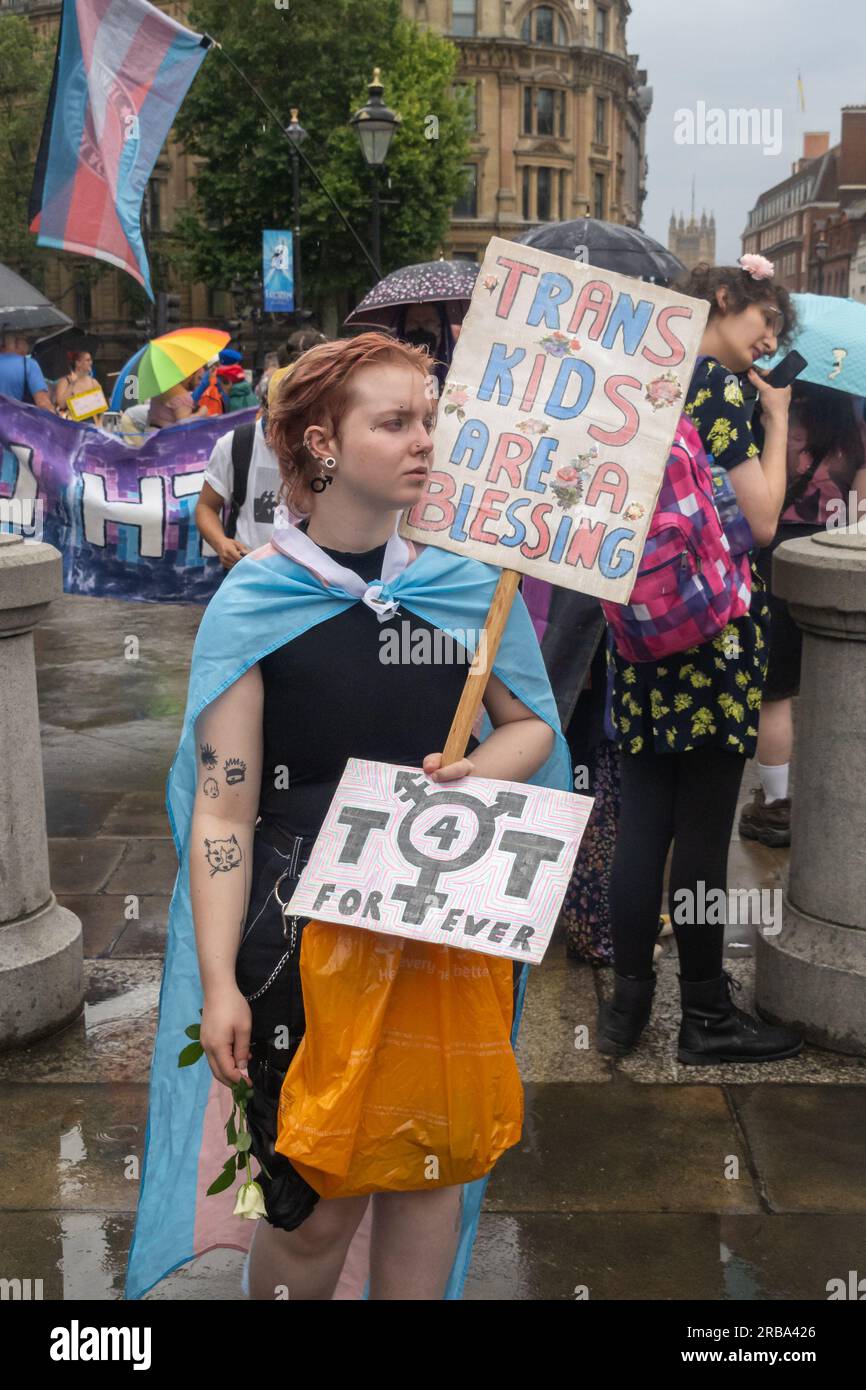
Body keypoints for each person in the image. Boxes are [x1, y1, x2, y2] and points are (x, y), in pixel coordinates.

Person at [125, 331, 571, 1302]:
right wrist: (219, 984)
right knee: (310, 1203)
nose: (425, 440)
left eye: (430, 418)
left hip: (435, 930)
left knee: (427, 1178)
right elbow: (223, 807)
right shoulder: (256, 597)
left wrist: (471, 771)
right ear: (322, 443)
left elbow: (531, 726)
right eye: (396, 420)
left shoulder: (468, 584)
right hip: (294, 942)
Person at [599, 256, 805, 1066]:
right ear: (725, 299)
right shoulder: (719, 390)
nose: (769, 341)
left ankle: (624, 1013)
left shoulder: (647, 377)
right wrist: (778, 417)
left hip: (644, 633)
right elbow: (758, 522)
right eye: (767, 322)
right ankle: (706, 1017)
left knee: (643, 821)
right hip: (712, 638)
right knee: (704, 835)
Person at [739, 383, 866, 845]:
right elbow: (862, 510)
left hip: (772, 557)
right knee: (835, 686)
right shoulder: (852, 416)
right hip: (834, 558)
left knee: (774, 692)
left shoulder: (767, 414)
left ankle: (775, 806)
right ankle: (837, 798)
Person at [195, 365, 291, 570]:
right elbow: (206, 507)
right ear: (266, 408)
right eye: (281, 419)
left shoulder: (324, 452)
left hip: (304, 582)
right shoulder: (235, 444)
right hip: (247, 573)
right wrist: (222, 543)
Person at [0, 330, 55, 412]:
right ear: (17, 344)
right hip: (16, 422)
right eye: (25, 341)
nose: (28, 345)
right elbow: (43, 403)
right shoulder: (28, 364)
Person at [146, 369, 211, 428]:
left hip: (150, 434)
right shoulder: (182, 396)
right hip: (165, 438)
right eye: (199, 378)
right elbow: (184, 425)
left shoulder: (165, 386)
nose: (200, 383)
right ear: (190, 376)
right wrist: (201, 413)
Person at [53, 349, 102, 417]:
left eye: (91, 360)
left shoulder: (94, 382)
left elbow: (101, 408)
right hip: (71, 424)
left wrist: (99, 423)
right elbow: (61, 404)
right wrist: (72, 384)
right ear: (78, 363)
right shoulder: (65, 381)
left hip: (91, 423)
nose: (91, 362)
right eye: (87, 360)